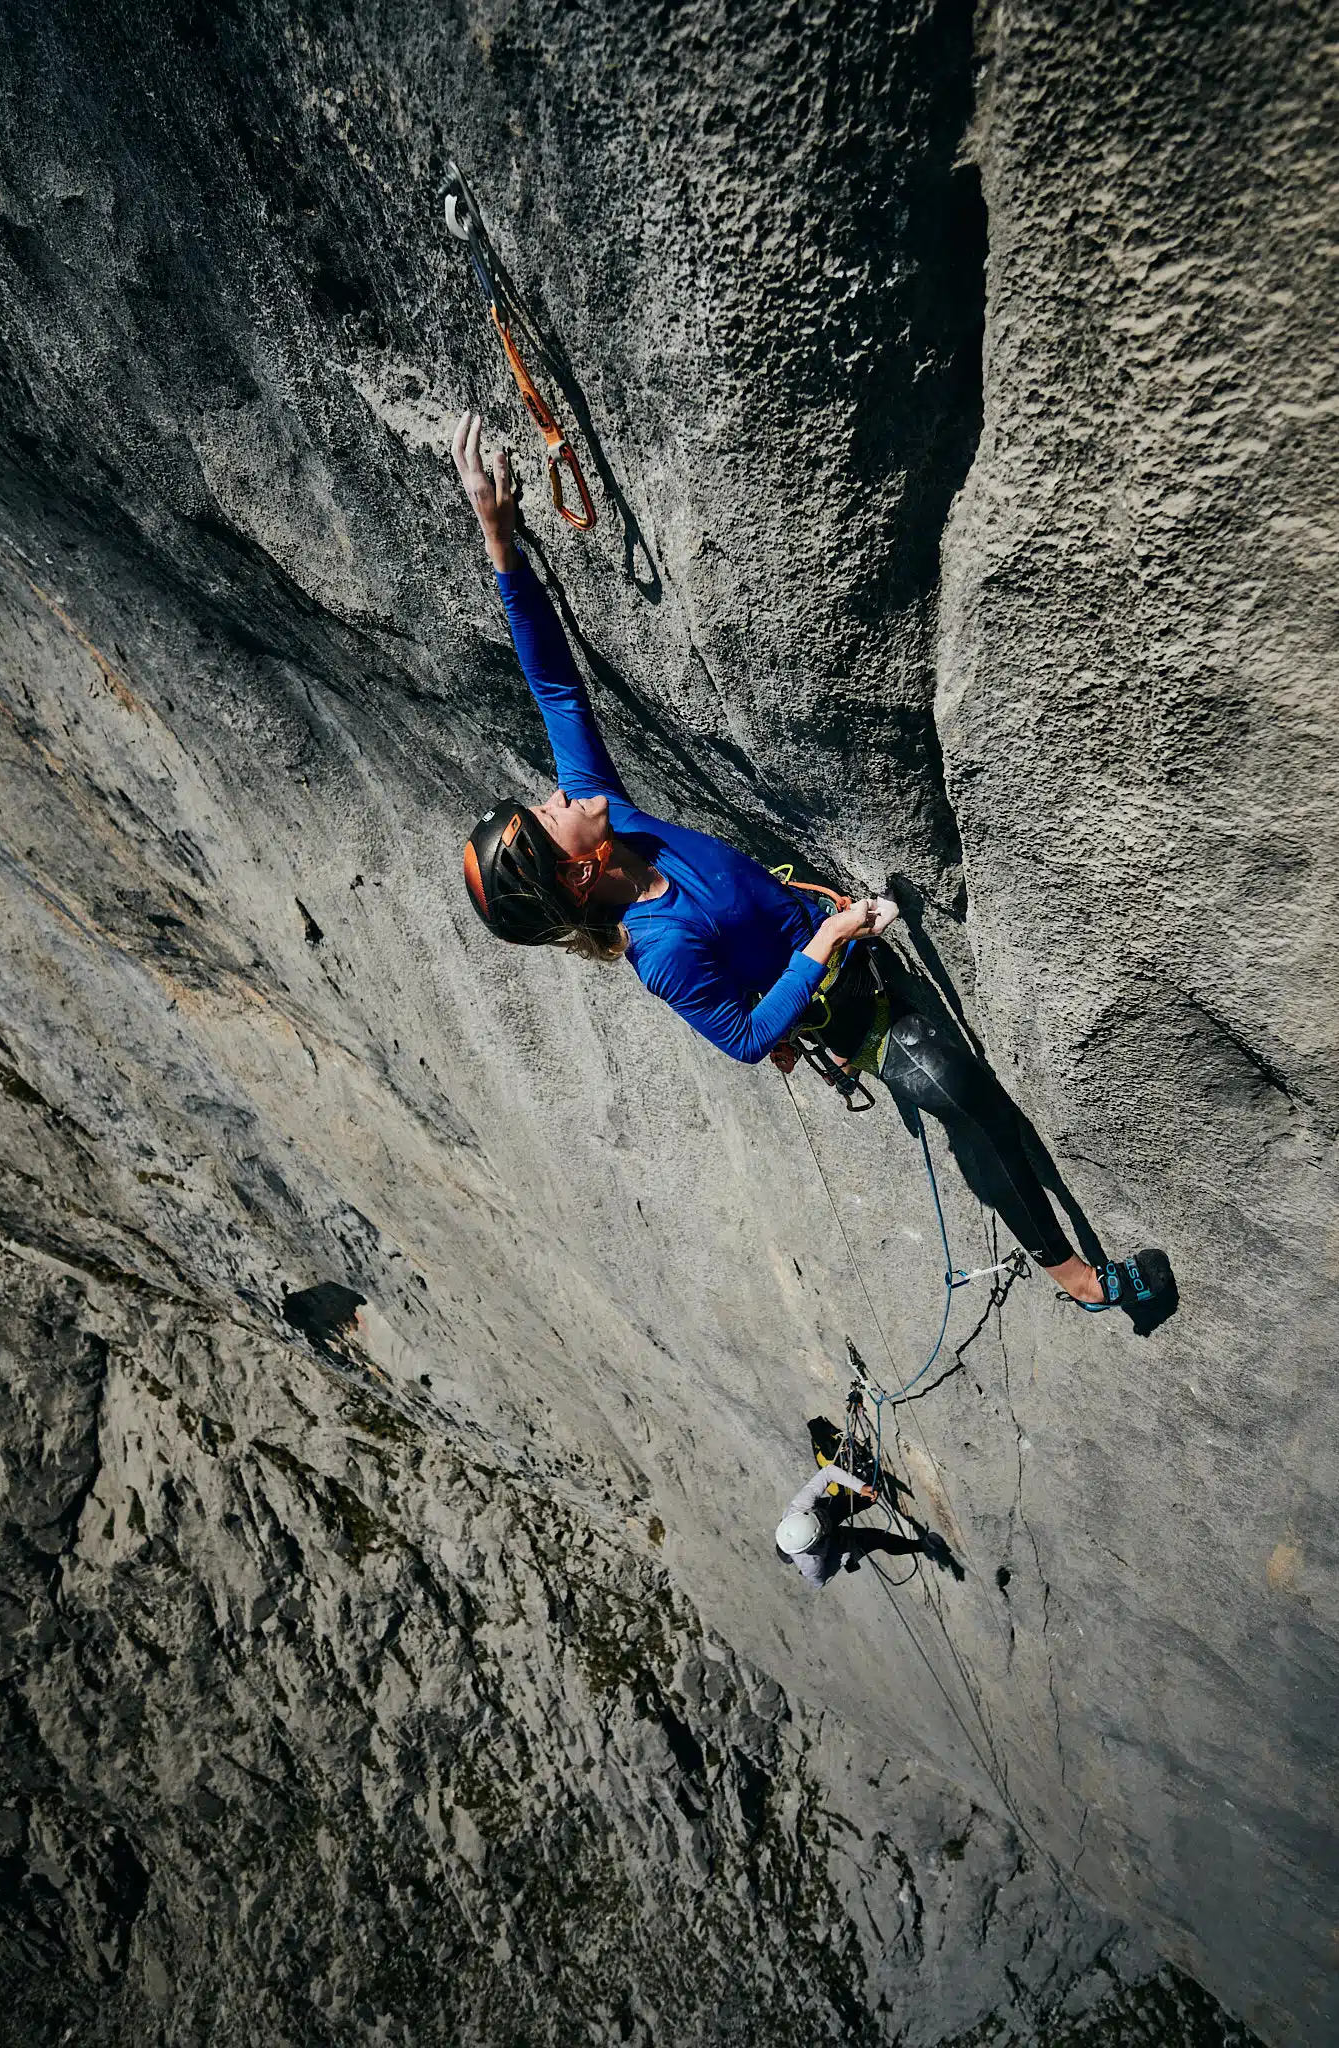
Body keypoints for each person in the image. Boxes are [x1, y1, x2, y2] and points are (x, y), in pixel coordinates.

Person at [451, 413, 1173, 1320]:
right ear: (574, 877)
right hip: (853, 1009)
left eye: (548, 801)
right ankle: (1080, 1279)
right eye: (548, 820)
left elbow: (553, 683)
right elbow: (750, 1039)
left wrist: (497, 536)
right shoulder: (659, 950)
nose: (555, 797)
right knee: (954, 1090)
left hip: (838, 933)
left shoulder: (612, 820)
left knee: (958, 1086)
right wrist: (828, 938)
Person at [775, 1463, 942, 1589]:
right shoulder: (810, 1564)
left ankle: (868, 1492)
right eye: (822, 1525)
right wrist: (842, 1557)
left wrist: (860, 1487)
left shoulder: (799, 1506)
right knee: (877, 1538)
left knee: (862, 1499)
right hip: (836, 1545)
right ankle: (920, 1545)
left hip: (823, 1513)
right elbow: (819, 1582)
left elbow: (828, 1472)